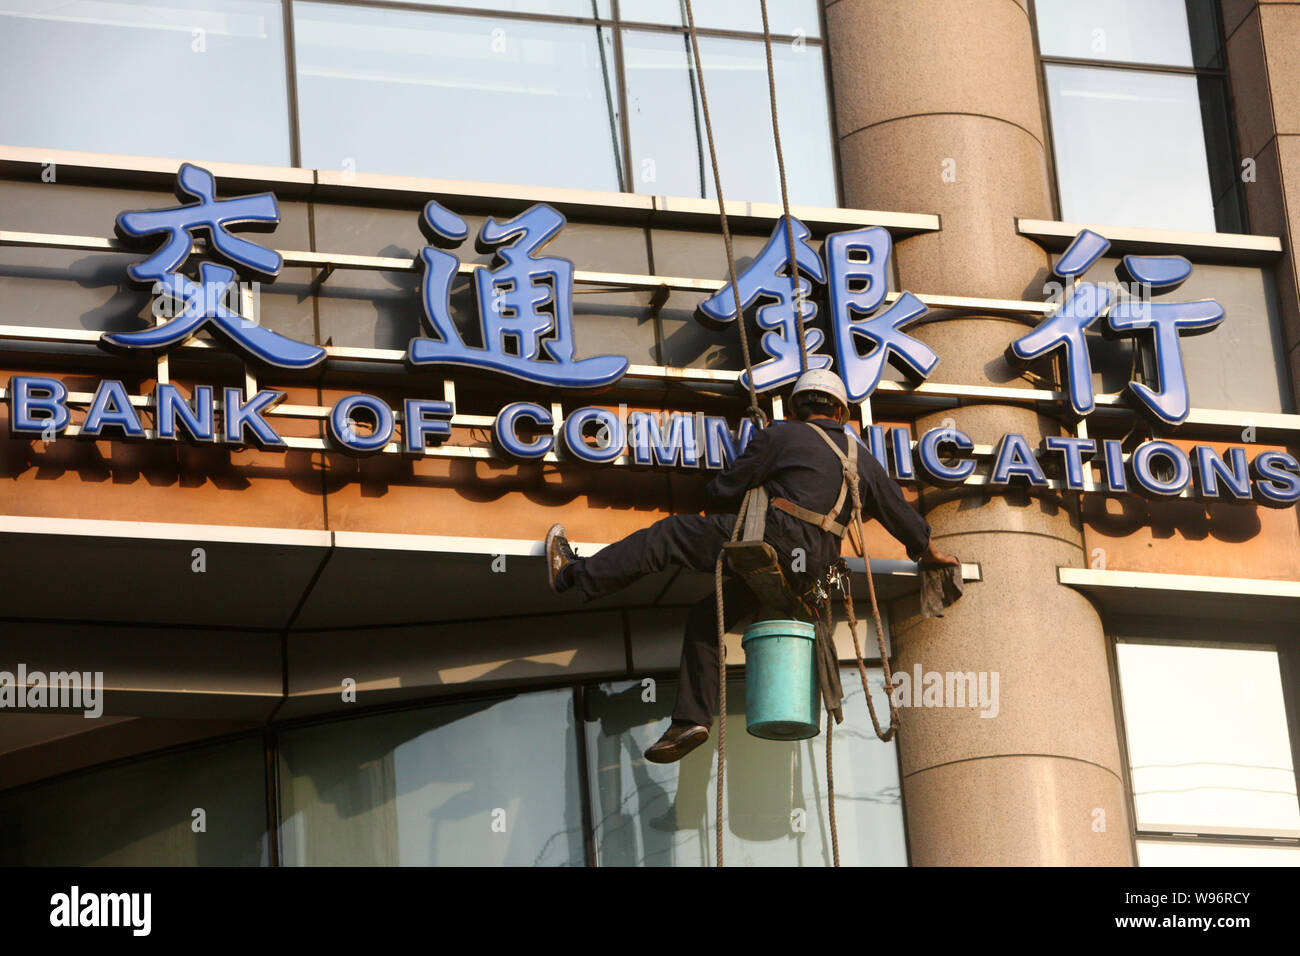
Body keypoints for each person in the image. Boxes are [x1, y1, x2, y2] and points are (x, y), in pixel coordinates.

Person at [544, 369, 959, 763]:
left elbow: (724, 489)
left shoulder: (782, 436)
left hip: (774, 544)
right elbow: (901, 517)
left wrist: (739, 476)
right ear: (839, 412)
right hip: (817, 576)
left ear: (798, 409)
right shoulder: (861, 459)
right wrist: (932, 553)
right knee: (706, 617)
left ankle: (573, 577)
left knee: (666, 536)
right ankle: (689, 722)